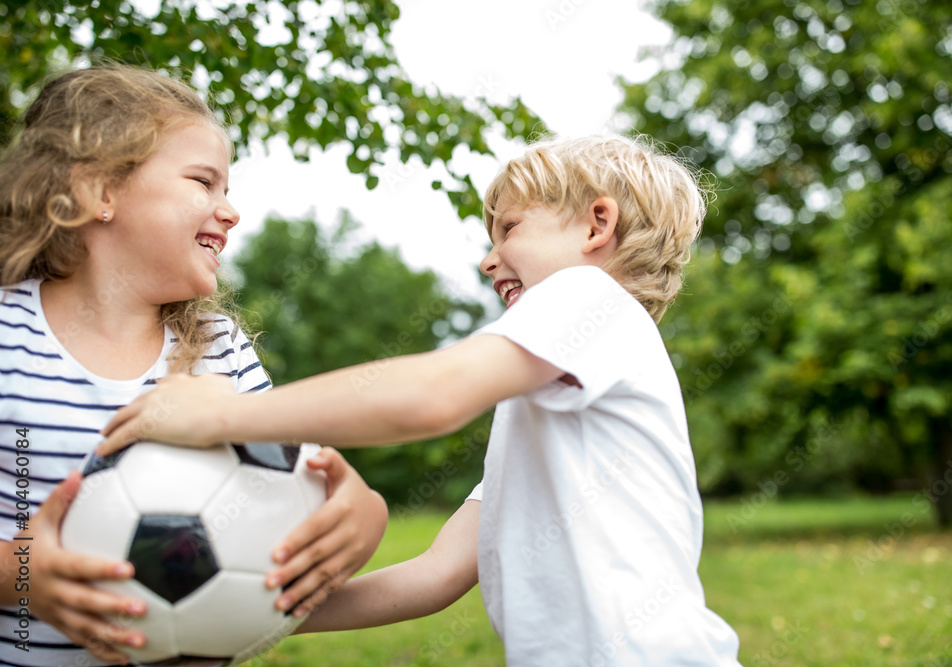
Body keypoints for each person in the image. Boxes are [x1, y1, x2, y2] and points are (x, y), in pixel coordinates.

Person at [99, 134, 743, 665]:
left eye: (510, 229)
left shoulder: (592, 301)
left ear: (597, 225)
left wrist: (223, 414)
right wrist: (243, 612)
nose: (490, 261)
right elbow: (435, 575)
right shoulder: (548, 411)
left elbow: (434, 394)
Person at [0, 65, 387, 667]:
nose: (230, 211)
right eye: (204, 182)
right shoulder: (8, 334)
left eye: (226, 188)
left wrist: (363, 513)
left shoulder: (218, 349)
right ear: (100, 191)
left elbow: (298, 478)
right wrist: (21, 572)